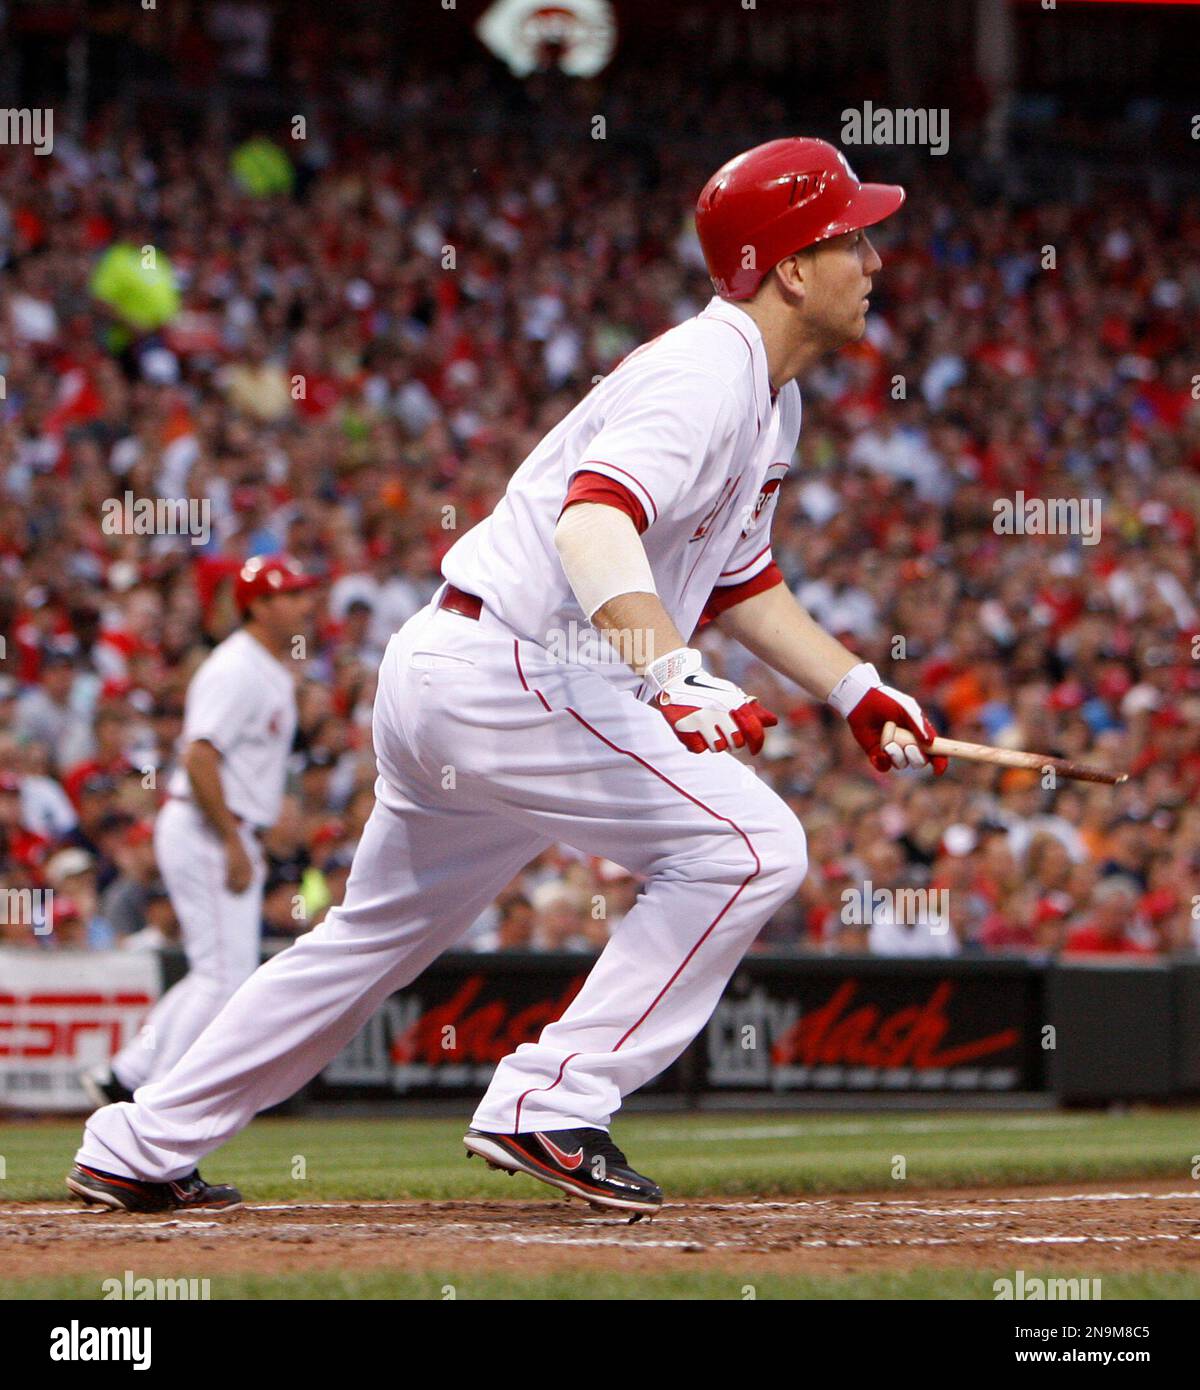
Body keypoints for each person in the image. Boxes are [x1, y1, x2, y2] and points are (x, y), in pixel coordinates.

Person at [68, 139, 944, 1219]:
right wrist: (667, 671)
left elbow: (742, 581)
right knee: (754, 846)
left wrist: (856, 684)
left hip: (464, 671)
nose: (875, 257)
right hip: (516, 666)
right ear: (790, 267)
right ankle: (551, 1097)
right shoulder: (707, 369)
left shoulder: (771, 399)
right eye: (850, 236)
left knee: (363, 943)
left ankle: (140, 1139)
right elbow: (593, 521)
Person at [77, 555, 319, 1130]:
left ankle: (127, 1076)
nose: (305, 604)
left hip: (221, 826)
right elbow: (198, 754)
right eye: (291, 595)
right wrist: (235, 841)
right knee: (222, 976)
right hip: (208, 827)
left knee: (217, 972)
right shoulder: (237, 666)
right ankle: (153, 1096)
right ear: (257, 605)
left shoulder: (267, 667)